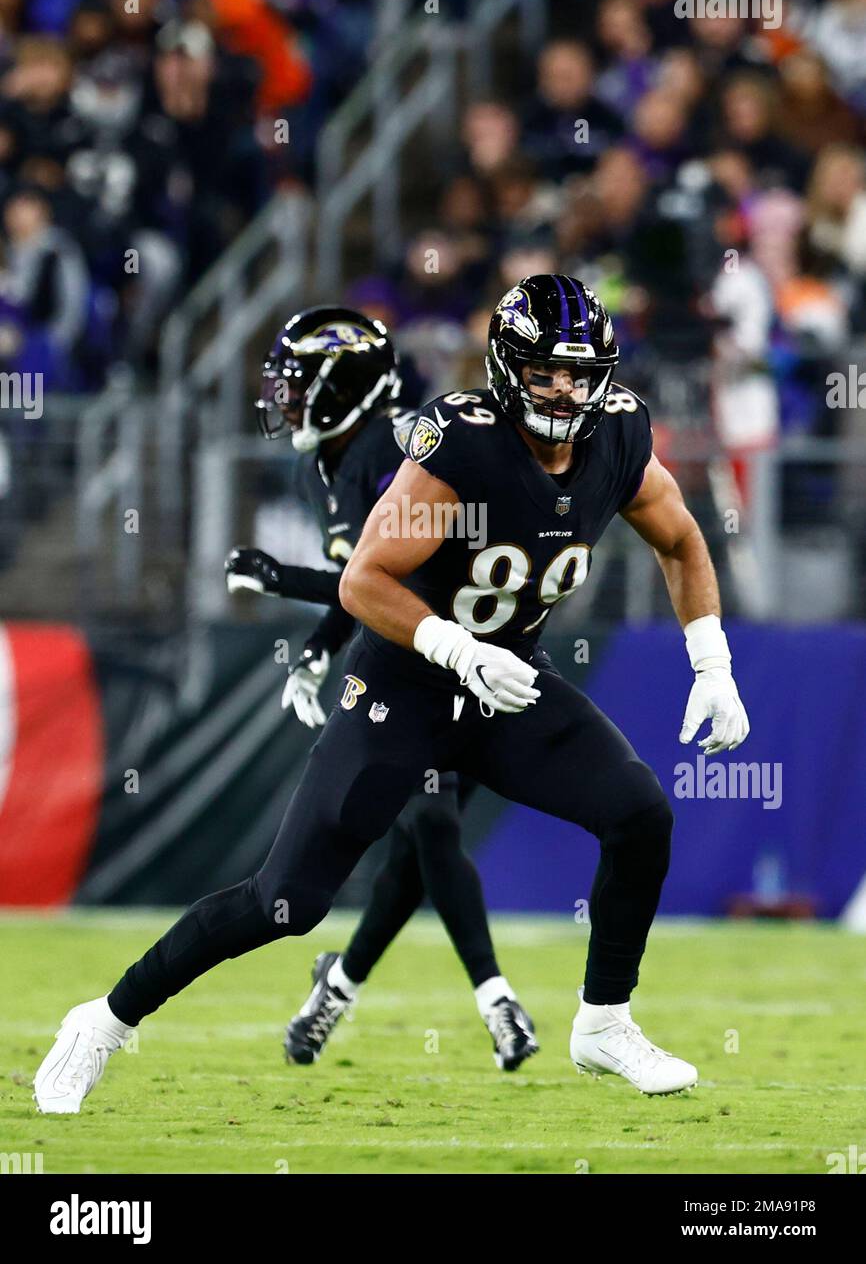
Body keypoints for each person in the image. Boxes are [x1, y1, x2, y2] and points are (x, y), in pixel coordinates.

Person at [34, 275, 749, 1112]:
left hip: (508, 680)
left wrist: (714, 663)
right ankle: (104, 1021)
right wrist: (455, 648)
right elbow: (364, 582)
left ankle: (603, 1021)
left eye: (581, 371)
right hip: (405, 686)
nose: (567, 389)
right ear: (507, 367)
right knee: (284, 903)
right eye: (548, 371)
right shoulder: (465, 444)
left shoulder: (620, 432)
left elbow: (681, 537)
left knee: (639, 814)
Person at [224, 305, 538, 1072]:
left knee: (420, 840)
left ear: (345, 390)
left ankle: (349, 983)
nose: (286, 401)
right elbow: (366, 591)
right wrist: (316, 653)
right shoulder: (328, 460)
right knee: (424, 835)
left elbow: (370, 578)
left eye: (300, 386)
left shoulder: (397, 449)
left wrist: (278, 576)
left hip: (468, 652)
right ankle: (491, 1001)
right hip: (420, 656)